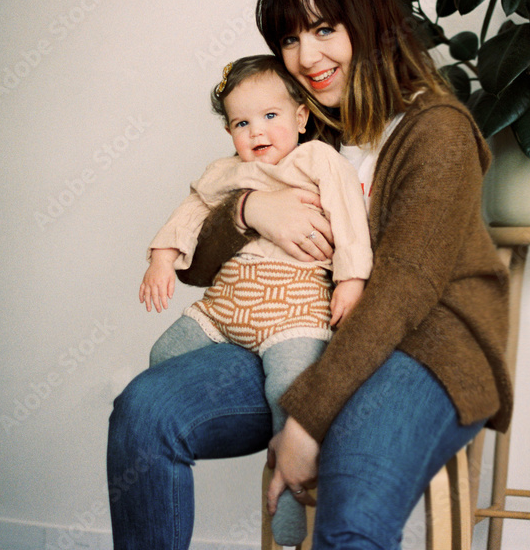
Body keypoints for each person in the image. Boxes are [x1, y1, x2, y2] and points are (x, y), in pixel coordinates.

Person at [107, 0, 512, 549]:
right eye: (290, 39)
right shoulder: (304, 126)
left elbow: (401, 294)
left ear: (370, 23)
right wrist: (249, 210)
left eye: (325, 29)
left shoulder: (438, 131)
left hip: (423, 348)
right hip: (303, 330)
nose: (306, 57)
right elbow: (199, 268)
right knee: (146, 411)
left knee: (351, 515)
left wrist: (306, 420)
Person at [139, 54, 373, 545]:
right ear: (230, 133)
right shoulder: (227, 172)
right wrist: (162, 257)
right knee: (161, 358)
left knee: (290, 390)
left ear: (301, 117)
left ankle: (286, 502)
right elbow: (192, 211)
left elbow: (350, 217)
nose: (257, 131)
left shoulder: (317, 161)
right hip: (226, 307)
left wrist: (351, 279)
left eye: (270, 116)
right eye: (242, 123)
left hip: (293, 311)